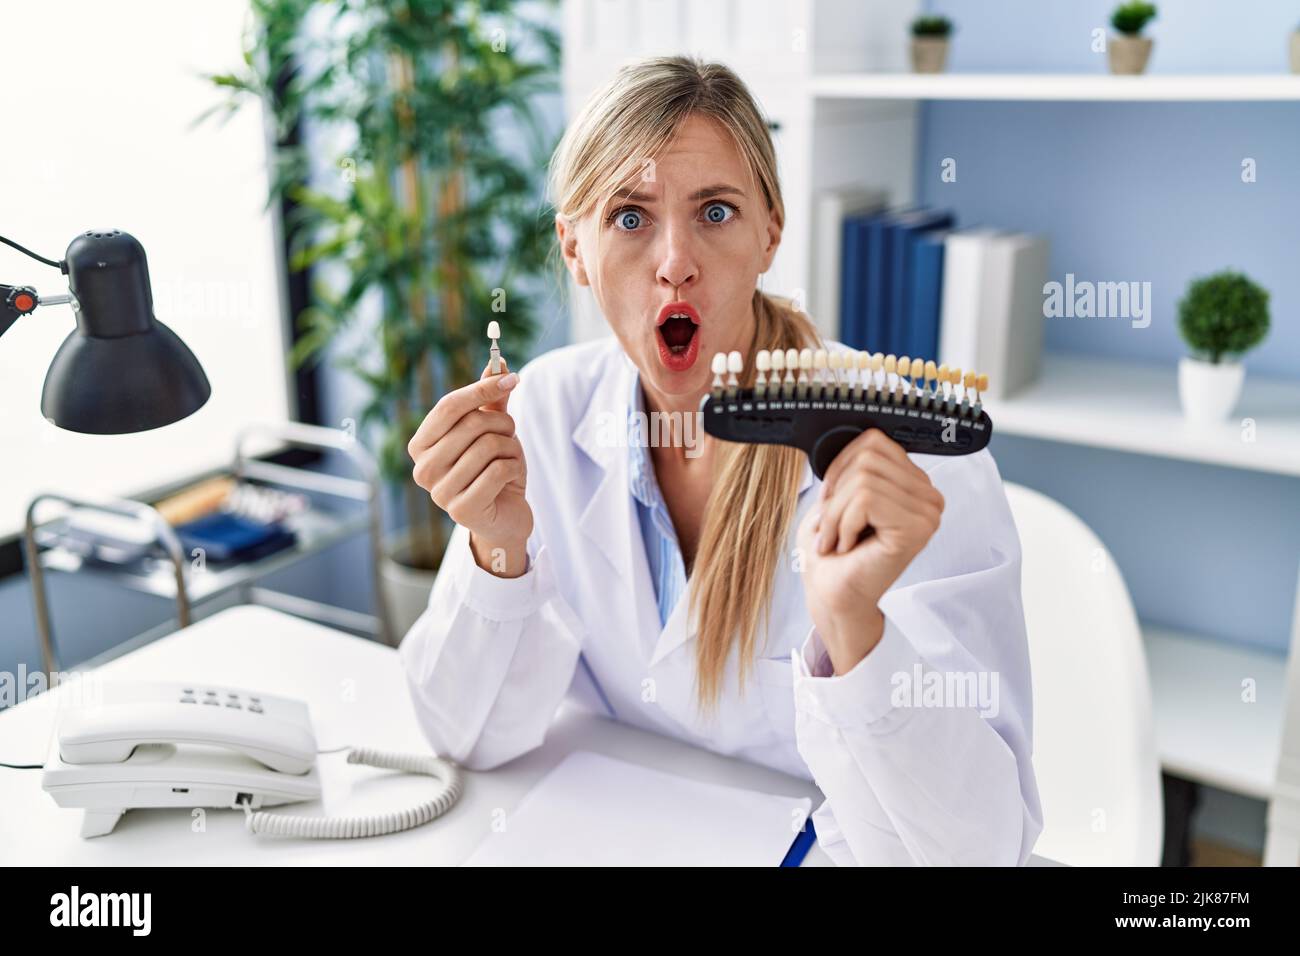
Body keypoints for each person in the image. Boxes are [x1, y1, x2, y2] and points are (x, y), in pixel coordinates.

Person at [400, 55, 1042, 865]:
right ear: (575, 249)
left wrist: (855, 631)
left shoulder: (907, 457)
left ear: (770, 230)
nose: (675, 262)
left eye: (715, 211)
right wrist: (499, 550)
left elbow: (980, 851)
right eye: (629, 218)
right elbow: (467, 740)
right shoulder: (540, 420)